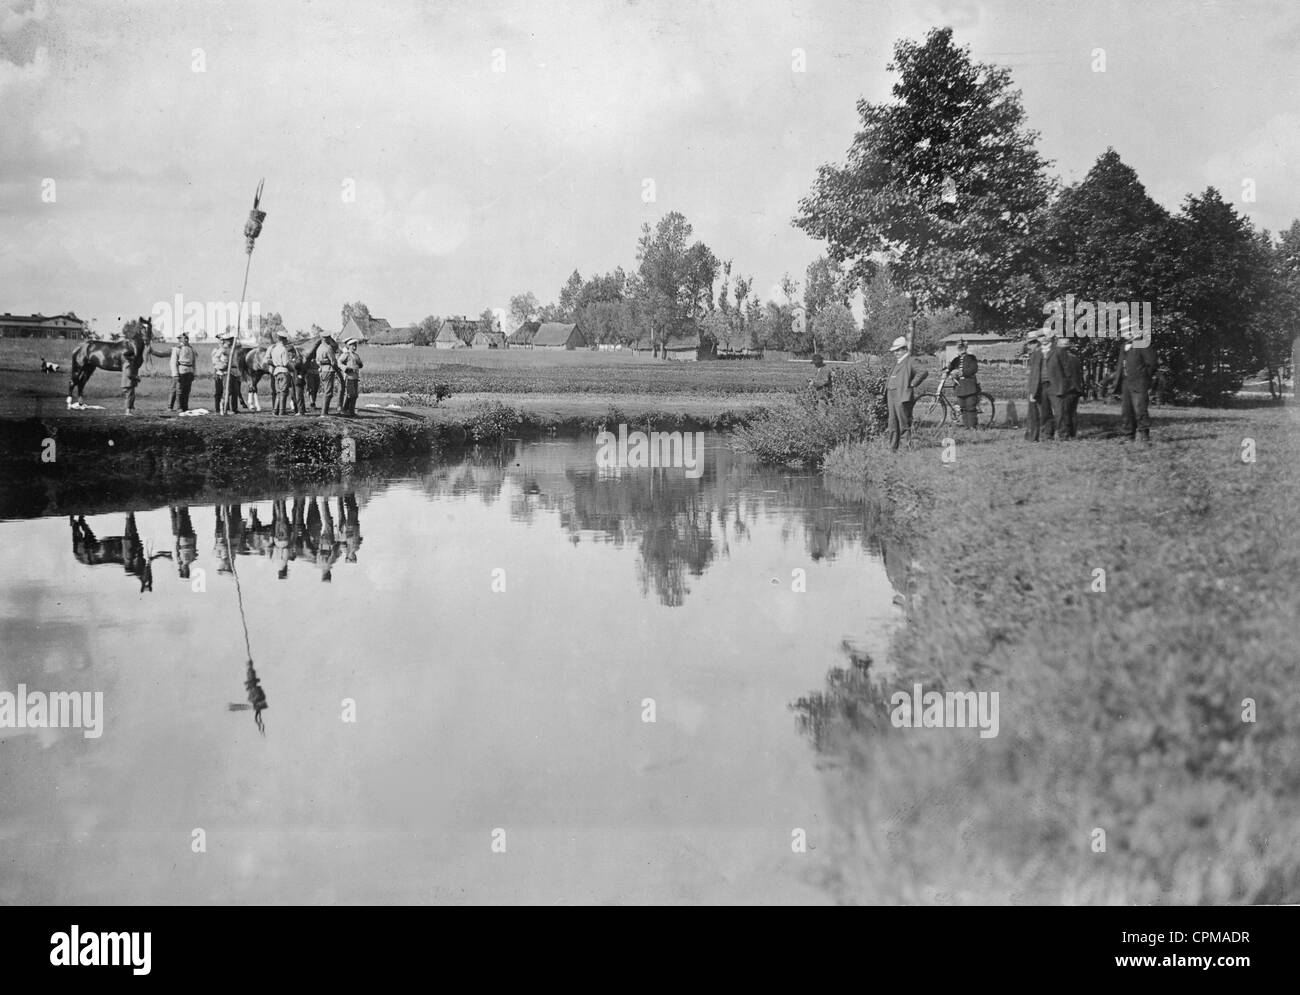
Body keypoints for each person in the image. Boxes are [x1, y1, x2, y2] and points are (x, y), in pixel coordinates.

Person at [1110, 328, 1157, 443]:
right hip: (1125, 382)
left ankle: (1144, 436)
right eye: (1122, 331)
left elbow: (1152, 363)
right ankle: (1128, 436)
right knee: (1127, 410)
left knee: (1140, 409)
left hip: (1139, 382)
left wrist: (1143, 377)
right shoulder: (1124, 346)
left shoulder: (1142, 343)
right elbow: (1120, 365)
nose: (1124, 333)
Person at [885, 335, 927, 451]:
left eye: (898, 350)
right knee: (892, 423)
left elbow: (923, 372)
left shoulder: (911, 360)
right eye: (895, 351)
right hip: (892, 394)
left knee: (903, 422)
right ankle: (892, 447)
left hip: (902, 395)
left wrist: (912, 384)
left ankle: (905, 448)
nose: (896, 353)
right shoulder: (898, 362)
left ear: (904, 349)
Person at [1046, 334, 1084, 439]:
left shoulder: (1053, 355)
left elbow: (1054, 373)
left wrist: (1059, 388)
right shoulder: (1074, 357)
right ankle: (1071, 434)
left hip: (1061, 390)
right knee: (1071, 413)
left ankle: (1064, 435)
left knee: (1061, 413)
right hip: (1074, 389)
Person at [945, 339, 981, 428]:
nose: (961, 349)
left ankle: (972, 426)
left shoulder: (971, 358)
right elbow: (949, 368)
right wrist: (946, 371)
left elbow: (974, 369)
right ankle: (966, 426)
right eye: (959, 348)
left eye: (962, 347)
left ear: (965, 348)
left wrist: (962, 372)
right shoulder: (956, 360)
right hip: (960, 386)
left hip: (969, 385)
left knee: (970, 407)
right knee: (963, 407)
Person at [314, 334, 342, 417]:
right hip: (329, 370)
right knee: (328, 391)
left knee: (326, 390)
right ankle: (324, 412)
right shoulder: (328, 348)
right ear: (327, 339)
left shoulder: (319, 348)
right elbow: (333, 362)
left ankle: (324, 411)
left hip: (322, 370)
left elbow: (317, 361)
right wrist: (337, 369)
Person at [212, 333, 240, 413]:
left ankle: (234, 409)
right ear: (225, 341)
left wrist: (238, 373)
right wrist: (222, 366)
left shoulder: (232, 348)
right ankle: (224, 408)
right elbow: (215, 359)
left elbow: (235, 362)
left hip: (233, 372)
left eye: (231, 339)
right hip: (226, 372)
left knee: (235, 391)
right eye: (229, 340)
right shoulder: (222, 349)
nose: (230, 341)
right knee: (227, 391)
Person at [168, 332, 196, 412]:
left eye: (187, 338)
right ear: (180, 339)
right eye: (184, 338)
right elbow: (173, 362)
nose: (186, 340)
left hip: (189, 371)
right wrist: (175, 374)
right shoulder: (177, 349)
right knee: (179, 390)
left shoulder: (191, 349)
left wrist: (194, 373)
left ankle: (185, 406)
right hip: (181, 370)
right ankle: (179, 407)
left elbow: (194, 362)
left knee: (187, 390)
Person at [1024, 332, 1044, 441]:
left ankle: (1034, 436)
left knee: (1034, 414)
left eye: (1031, 343)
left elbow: (1036, 374)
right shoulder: (1036, 353)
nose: (1029, 346)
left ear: (1035, 343)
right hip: (1034, 388)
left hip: (1035, 389)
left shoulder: (1037, 354)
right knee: (1033, 414)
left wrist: (1033, 392)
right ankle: (1032, 435)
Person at [1037, 332, 1057, 439]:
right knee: (1045, 410)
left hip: (1055, 384)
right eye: (1041, 336)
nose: (1043, 339)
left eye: (1046, 336)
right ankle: (1048, 434)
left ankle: (1065, 433)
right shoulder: (1037, 352)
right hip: (1041, 384)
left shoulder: (1057, 350)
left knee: (1060, 409)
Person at [269, 331, 293, 416]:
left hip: (276, 371)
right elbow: (286, 362)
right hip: (283, 371)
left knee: (278, 392)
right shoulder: (283, 349)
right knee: (283, 392)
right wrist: (292, 368)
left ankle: (275, 410)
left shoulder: (274, 349)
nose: (287, 341)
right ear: (283, 340)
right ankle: (282, 411)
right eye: (286, 339)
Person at [340, 337, 364, 416]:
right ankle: (348, 411)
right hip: (349, 377)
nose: (354, 347)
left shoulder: (356, 355)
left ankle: (348, 410)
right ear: (349, 346)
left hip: (355, 377)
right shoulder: (346, 355)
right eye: (353, 346)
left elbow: (360, 364)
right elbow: (339, 363)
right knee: (351, 394)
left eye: (355, 346)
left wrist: (360, 364)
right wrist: (346, 368)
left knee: (354, 395)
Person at [121, 343, 143, 415]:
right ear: (130, 357)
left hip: (128, 383)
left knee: (131, 396)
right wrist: (136, 377)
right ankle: (127, 411)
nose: (134, 357)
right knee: (129, 397)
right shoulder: (128, 364)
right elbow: (129, 375)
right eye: (133, 356)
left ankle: (129, 410)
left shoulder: (127, 363)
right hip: (128, 384)